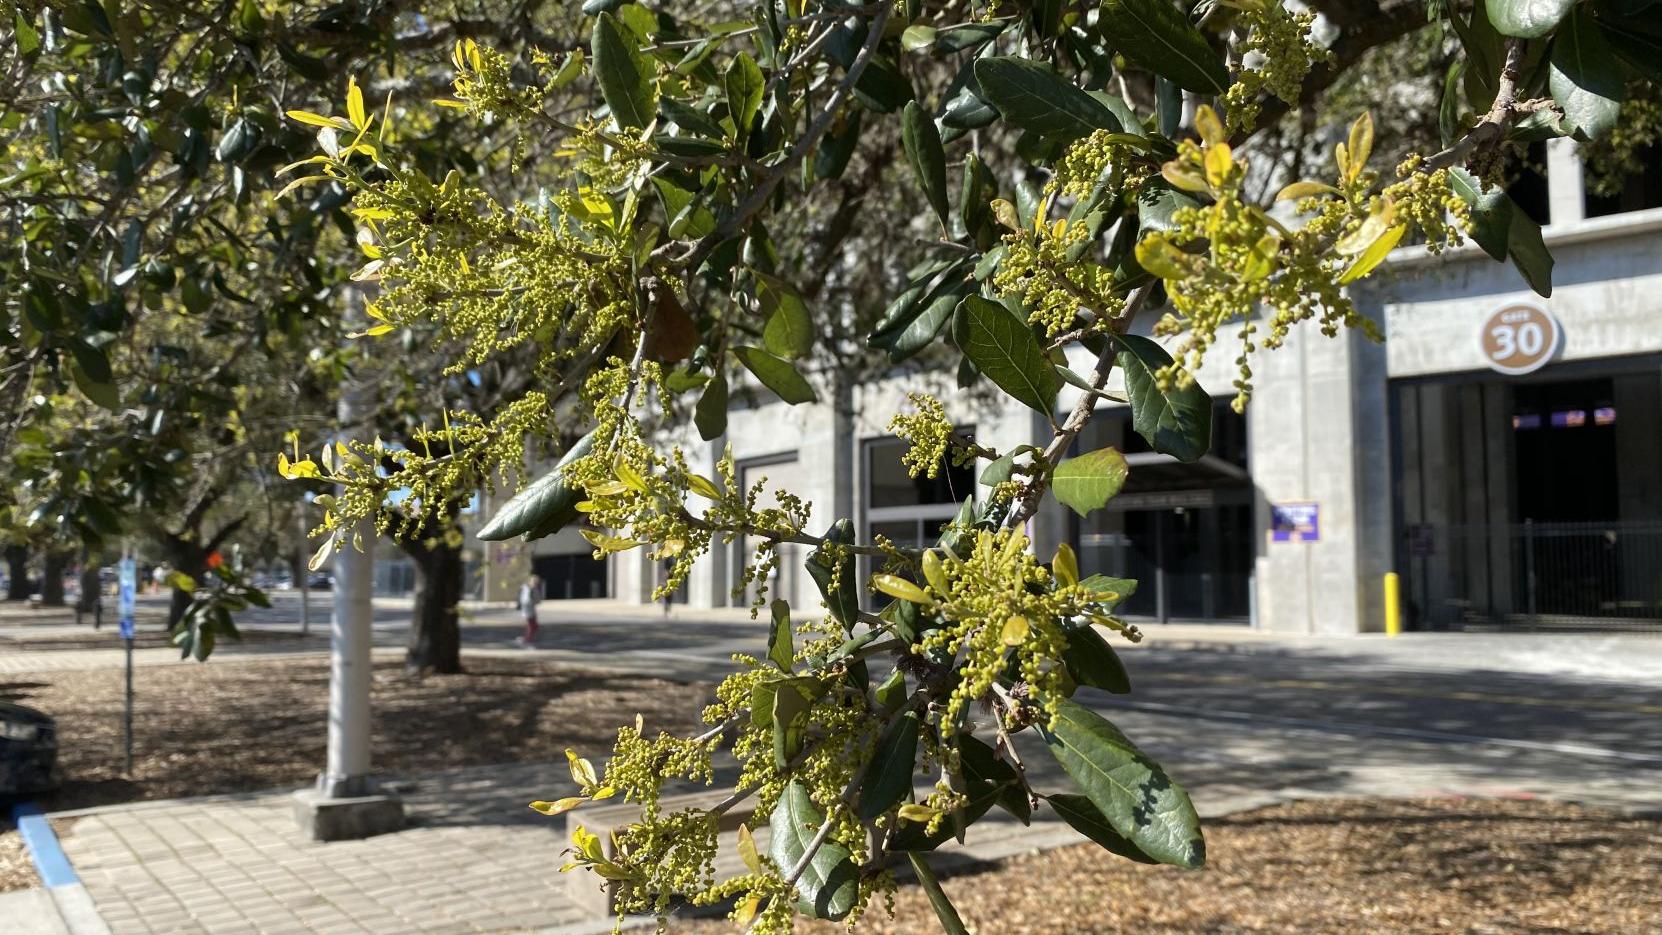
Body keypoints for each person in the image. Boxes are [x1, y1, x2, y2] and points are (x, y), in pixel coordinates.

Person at [516, 574, 540, 648]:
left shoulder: (533, 589)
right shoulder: (527, 589)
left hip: (531, 609)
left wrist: (536, 601)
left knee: (535, 626)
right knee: (531, 626)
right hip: (527, 609)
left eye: (536, 582)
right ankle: (527, 640)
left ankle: (527, 638)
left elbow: (536, 598)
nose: (535, 584)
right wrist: (533, 601)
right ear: (530, 581)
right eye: (534, 582)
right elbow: (525, 600)